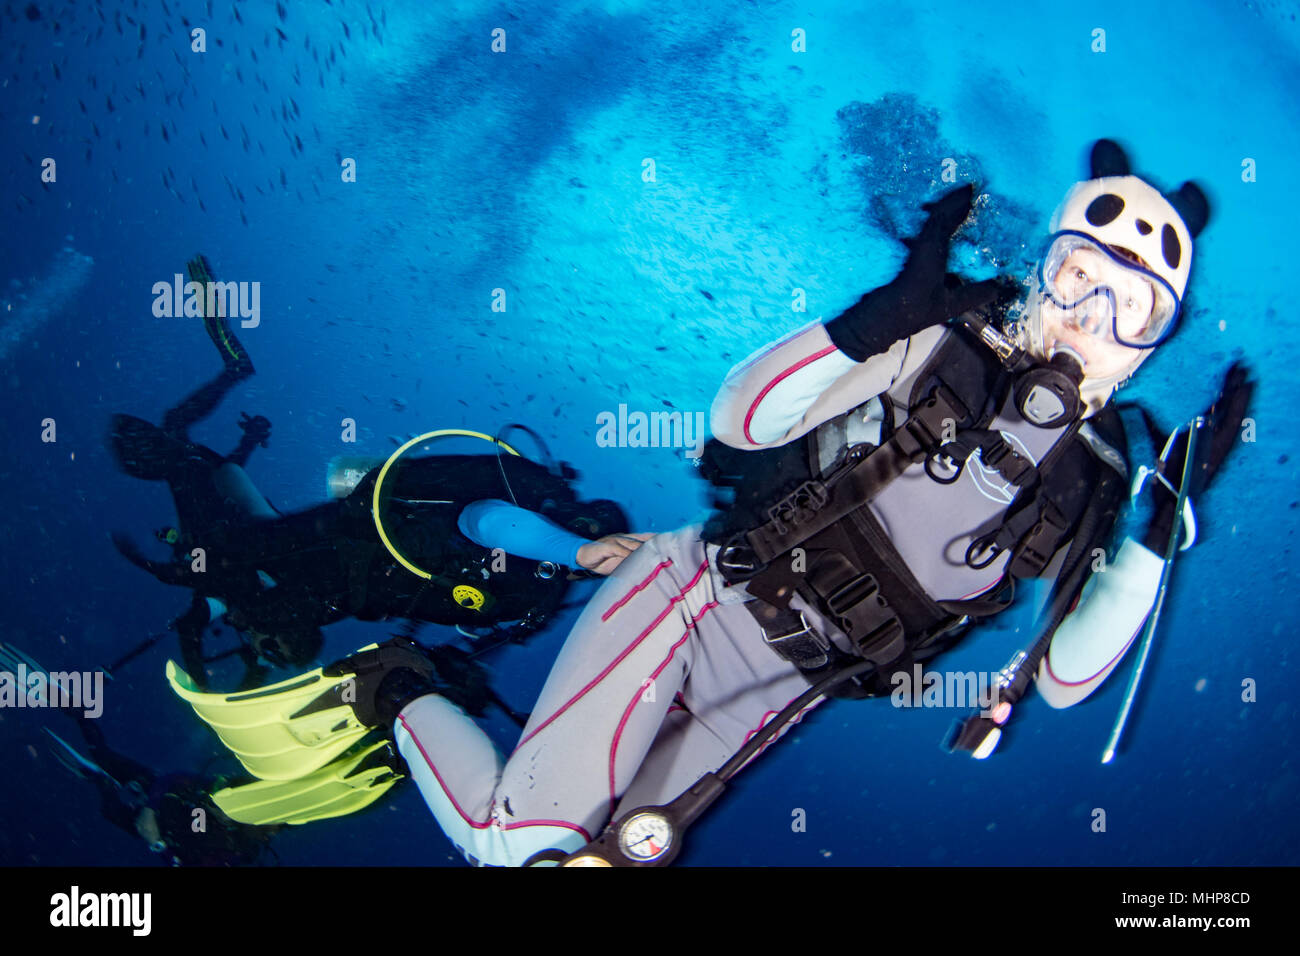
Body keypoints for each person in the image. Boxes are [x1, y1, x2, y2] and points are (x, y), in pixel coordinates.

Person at [170, 140, 1254, 866]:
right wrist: (873, 322)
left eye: (1129, 310)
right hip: (694, 597)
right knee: (525, 849)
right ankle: (397, 683)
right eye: (1073, 276)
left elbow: (1063, 686)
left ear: (1151, 346)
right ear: (1041, 264)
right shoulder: (942, 343)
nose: (1084, 320)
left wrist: (1158, 537)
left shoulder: (1098, 488)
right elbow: (740, 423)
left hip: (787, 689)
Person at [110, 256, 649, 690]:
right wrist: (573, 551)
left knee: (255, 584)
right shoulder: (545, 521)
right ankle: (237, 636)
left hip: (358, 589)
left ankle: (250, 661)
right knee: (241, 553)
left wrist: (453, 675)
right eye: (597, 546)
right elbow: (484, 520)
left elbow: (469, 627)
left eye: (599, 565)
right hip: (356, 534)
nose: (596, 565)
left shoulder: (542, 596)